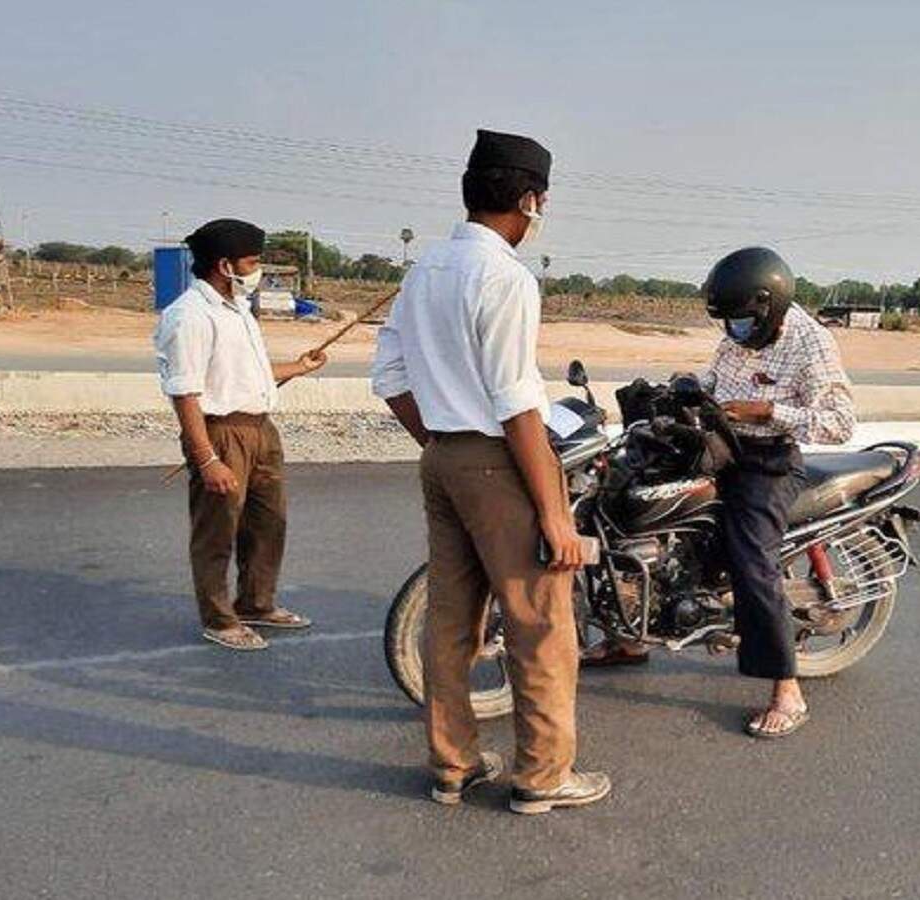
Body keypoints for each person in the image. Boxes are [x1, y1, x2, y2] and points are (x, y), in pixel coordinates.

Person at [371, 129, 611, 814]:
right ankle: (543, 776)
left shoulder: (425, 269)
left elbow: (389, 376)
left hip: (443, 457)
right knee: (540, 624)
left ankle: (453, 766)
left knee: (451, 620)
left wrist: (442, 442)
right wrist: (555, 515)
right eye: (543, 202)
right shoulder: (504, 276)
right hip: (497, 461)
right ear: (530, 200)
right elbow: (515, 402)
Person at [583, 247, 855, 740]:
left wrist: (766, 411)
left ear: (768, 307)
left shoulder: (810, 342)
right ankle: (629, 637)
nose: (734, 331)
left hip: (767, 460)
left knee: (753, 561)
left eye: (742, 321)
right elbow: (717, 380)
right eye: (728, 322)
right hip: (717, 446)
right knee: (630, 504)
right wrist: (685, 388)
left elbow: (839, 422)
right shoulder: (739, 330)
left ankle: (787, 689)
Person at [153, 218, 328, 652]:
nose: (256, 271)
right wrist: (207, 458)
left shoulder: (238, 309)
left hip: (260, 429)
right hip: (221, 434)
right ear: (224, 265)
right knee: (217, 531)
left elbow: (248, 375)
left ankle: (255, 603)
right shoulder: (189, 316)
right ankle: (219, 619)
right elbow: (185, 392)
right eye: (251, 262)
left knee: (268, 524)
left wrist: (299, 367)